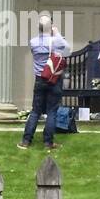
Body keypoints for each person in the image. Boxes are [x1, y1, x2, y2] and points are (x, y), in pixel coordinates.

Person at [19, 15, 70, 151]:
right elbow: (67, 49)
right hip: (54, 79)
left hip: (40, 78)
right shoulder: (55, 41)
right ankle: (48, 142)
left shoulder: (33, 42)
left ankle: (26, 141)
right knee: (52, 111)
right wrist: (57, 32)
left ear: (38, 27)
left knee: (35, 111)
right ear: (50, 26)